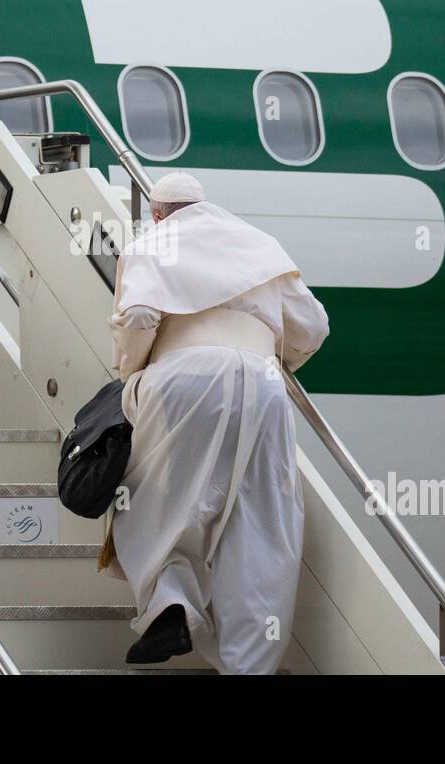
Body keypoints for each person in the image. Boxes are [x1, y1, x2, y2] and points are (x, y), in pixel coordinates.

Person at [105, 172, 330, 673]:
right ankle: (249, 663)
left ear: (159, 212)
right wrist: (273, 355)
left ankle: (170, 604)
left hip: (184, 377)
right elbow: (313, 327)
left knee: (159, 495)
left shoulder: (152, 242)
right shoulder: (260, 246)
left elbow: (140, 315)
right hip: (266, 384)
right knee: (259, 524)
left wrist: (131, 370)